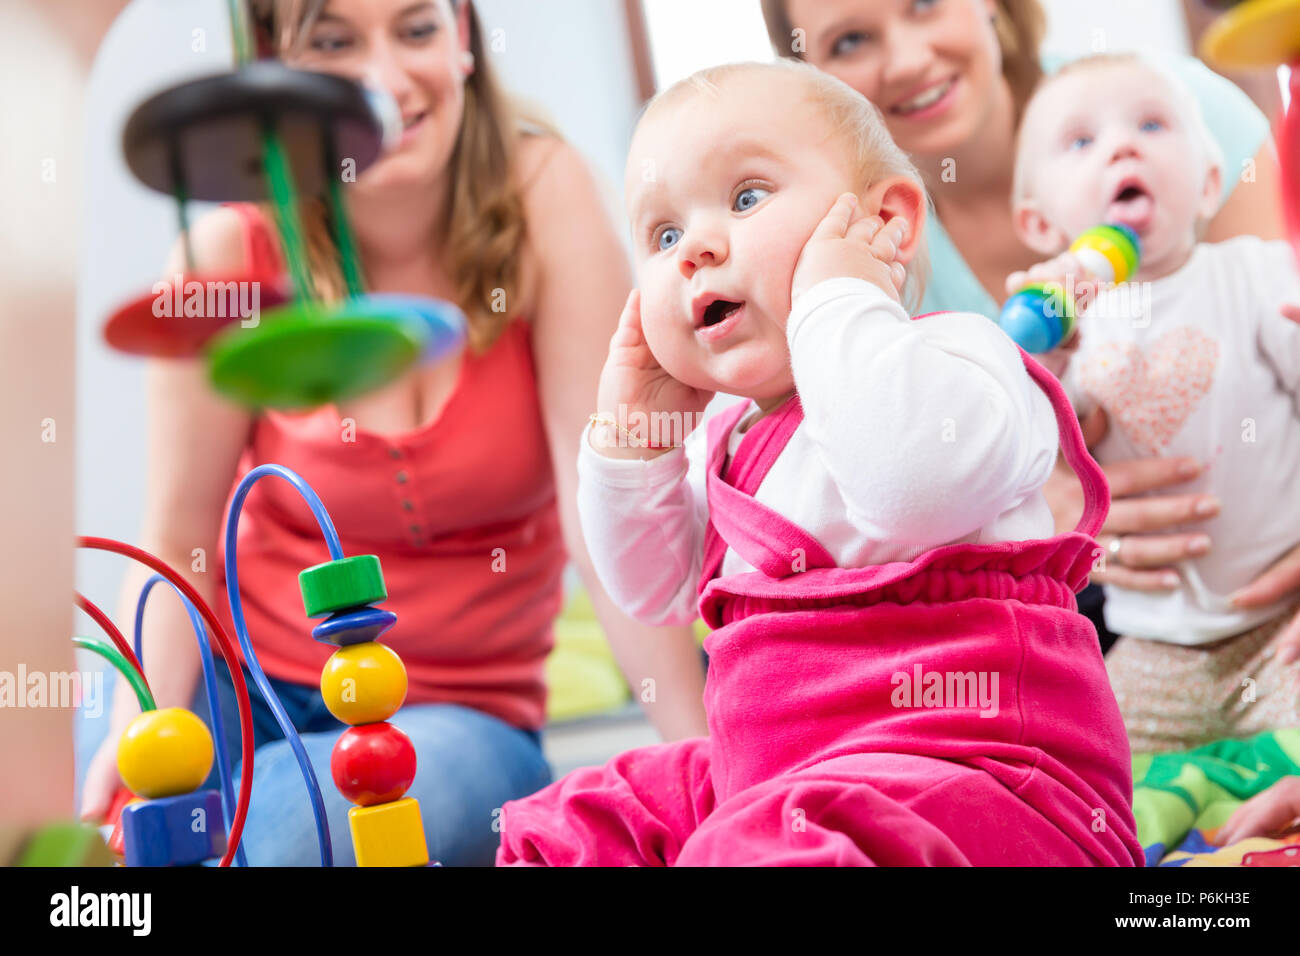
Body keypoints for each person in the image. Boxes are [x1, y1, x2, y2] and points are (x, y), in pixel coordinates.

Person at [77, 0, 707, 866]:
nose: (382, 77)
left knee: (278, 848)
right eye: (334, 42)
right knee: (104, 831)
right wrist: (141, 720)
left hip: (453, 711)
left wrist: (709, 763)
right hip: (236, 677)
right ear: (272, 65)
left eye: (415, 29)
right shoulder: (227, 252)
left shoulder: (544, 198)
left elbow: (600, 515)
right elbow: (179, 537)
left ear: (463, 43)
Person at [496, 60, 1142, 866]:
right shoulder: (729, 442)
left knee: (768, 839)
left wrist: (840, 298)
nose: (695, 246)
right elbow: (649, 587)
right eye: (663, 236)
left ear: (887, 224)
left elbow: (905, 487)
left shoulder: (960, 358)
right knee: (585, 818)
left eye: (746, 198)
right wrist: (637, 439)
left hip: (987, 779)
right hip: (767, 776)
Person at [758, 0, 1300, 661]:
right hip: (1054, 593)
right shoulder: (845, 245)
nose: (906, 60)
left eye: (923, 4)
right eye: (848, 42)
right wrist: (1030, 511)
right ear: (807, 70)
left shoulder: (1174, 112)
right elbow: (878, 498)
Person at [1008, 53, 1300, 752]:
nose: (1122, 145)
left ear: (1206, 185)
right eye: (1082, 142)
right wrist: (1040, 358)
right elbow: (1037, 452)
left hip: (1280, 627)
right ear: (1040, 226)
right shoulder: (1062, 327)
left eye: (1152, 123)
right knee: (1084, 768)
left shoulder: (1253, 275)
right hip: (1153, 642)